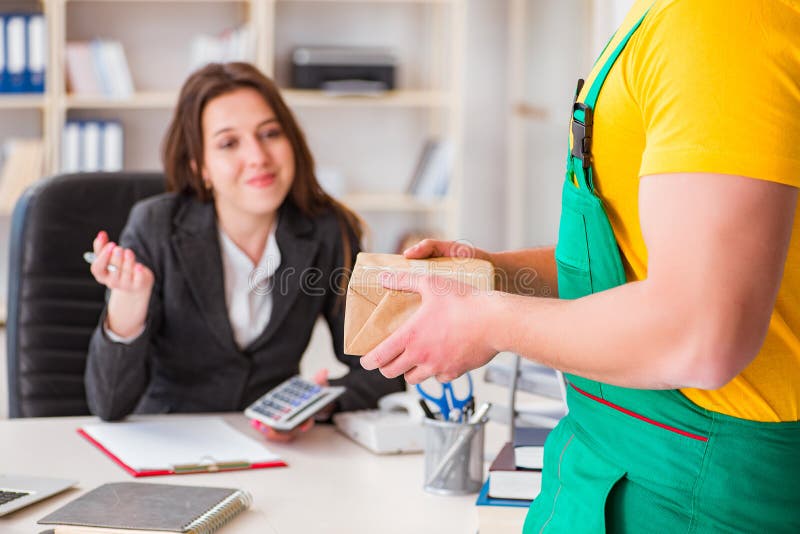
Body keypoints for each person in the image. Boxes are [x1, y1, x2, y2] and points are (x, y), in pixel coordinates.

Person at [361, 0, 800, 531]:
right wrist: (495, 276)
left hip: (691, 493)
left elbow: (698, 333)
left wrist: (488, 321)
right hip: (616, 464)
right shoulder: (668, 19)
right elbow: (638, 262)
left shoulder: (719, 21)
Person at [85, 62, 404, 441]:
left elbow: (383, 370)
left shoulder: (328, 230)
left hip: (276, 447)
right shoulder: (155, 226)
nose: (258, 157)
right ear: (200, 167)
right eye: (228, 143)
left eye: (270, 133)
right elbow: (109, 404)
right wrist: (128, 306)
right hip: (171, 443)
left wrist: (322, 403)